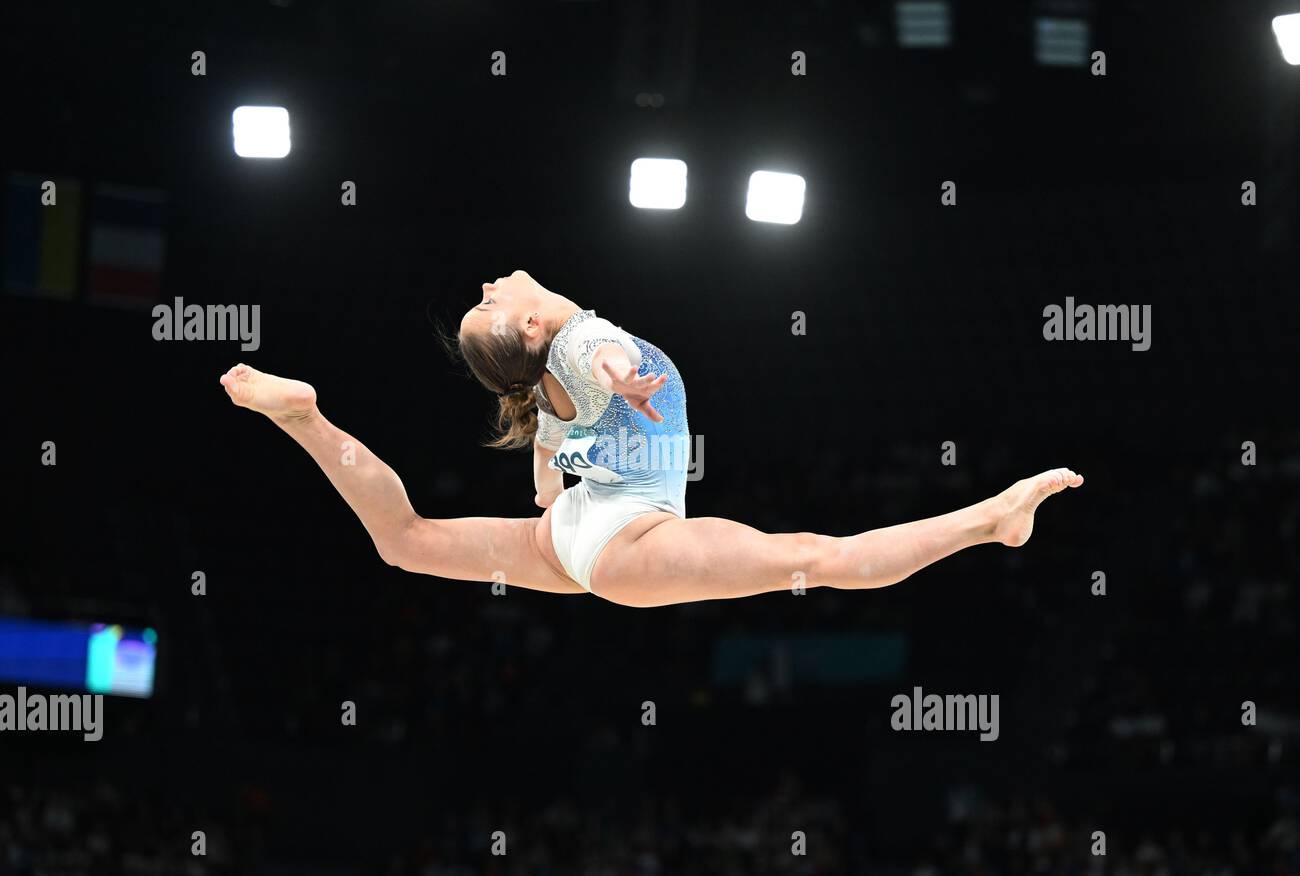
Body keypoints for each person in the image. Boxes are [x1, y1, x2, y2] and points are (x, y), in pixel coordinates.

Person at [220, 270, 1082, 608]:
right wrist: (623, 377)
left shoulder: (546, 378)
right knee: (819, 558)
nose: (489, 281)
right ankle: (989, 519)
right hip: (625, 540)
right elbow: (599, 356)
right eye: (489, 300)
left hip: (580, 534)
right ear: (527, 320)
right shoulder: (574, 344)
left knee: (403, 542)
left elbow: (547, 475)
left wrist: (565, 464)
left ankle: (309, 423)